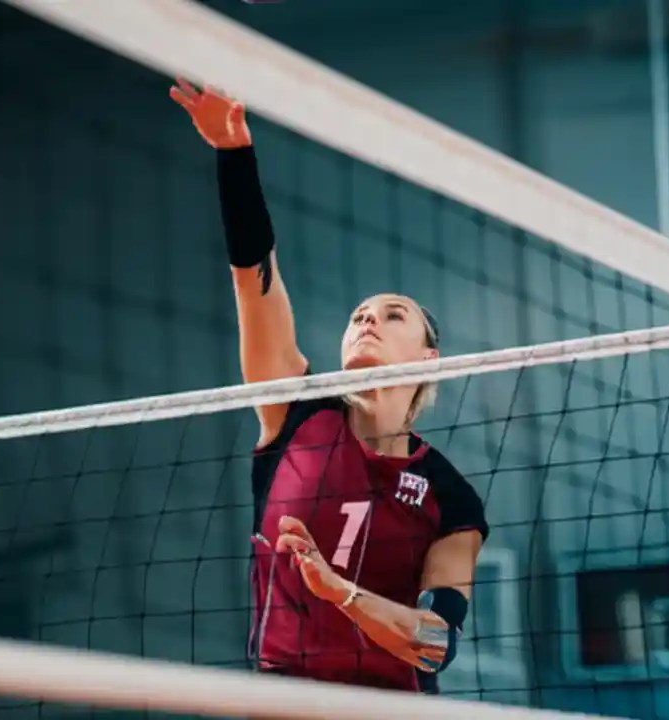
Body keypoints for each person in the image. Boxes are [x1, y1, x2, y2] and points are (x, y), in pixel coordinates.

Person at [170, 78, 489, 694]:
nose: (368, 320)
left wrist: (339, 592)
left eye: (393, 315)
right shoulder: (294, 414)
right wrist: (234, 155)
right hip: (286, 699)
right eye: (358, 315)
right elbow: (252, 280)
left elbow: (435, 644)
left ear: (428, 359)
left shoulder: (452, 497)